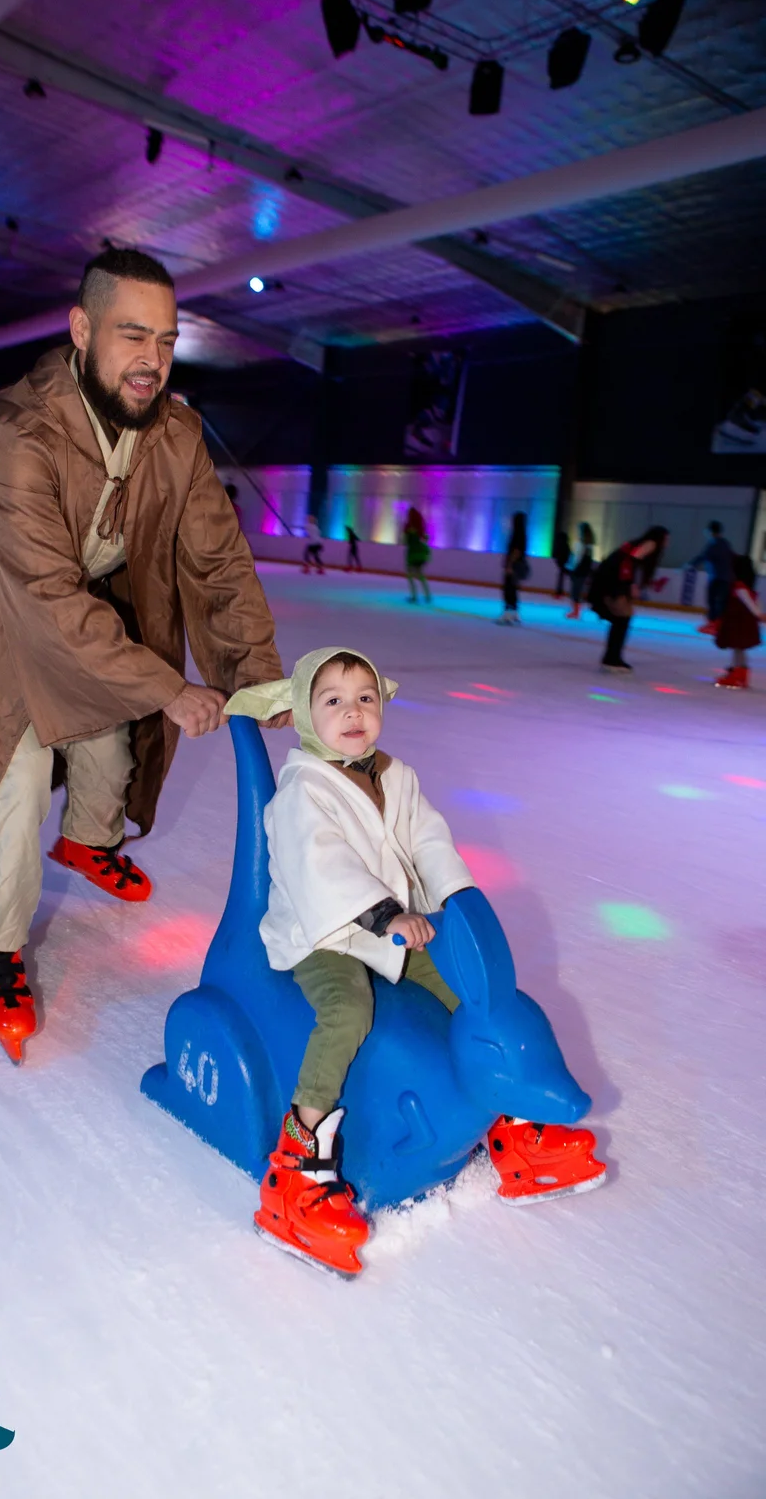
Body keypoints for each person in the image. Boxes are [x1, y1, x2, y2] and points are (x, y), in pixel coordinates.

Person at [0, 247, 284, 1063]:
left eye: (166, 341)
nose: (152, 362)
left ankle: (89, 840)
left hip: (79, 607)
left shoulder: (175, 431)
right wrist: (171, 686)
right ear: (81, 329)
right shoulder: (15, 431)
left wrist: (263, 684)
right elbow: (48, 605)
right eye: (132, 337)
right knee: (16, 778)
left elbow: (218, 562)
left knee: (115, 723)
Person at [226, 648, 606, 1275]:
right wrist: (383, 916)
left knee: (469, 991)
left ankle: (516, 1126)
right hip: (328, 935)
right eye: (334, 701)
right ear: (302, 715)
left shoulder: (395, 776)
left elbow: (427, 839)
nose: (354, 712)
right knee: (347, 1012)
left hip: (396, 927)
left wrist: (456, 894)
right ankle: (296, 1161)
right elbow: (322, 867)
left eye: (366, 698)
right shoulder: (300, 792)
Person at [589, 526, 669, 673]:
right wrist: (629, 583)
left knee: (622, 619)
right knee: (622, 619)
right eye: (666, 539)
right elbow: (629, 560)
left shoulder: (642, 544)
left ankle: (612, 657)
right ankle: (612, 659)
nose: (667, 543)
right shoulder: (651, 544)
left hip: (611, 580)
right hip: (613, 582)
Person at [713, 555, 762, 689]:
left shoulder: (739, 586)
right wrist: (758, 613)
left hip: (739, 623)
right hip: (742, 622)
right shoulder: (746, 587)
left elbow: (750, 603)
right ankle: (739, 673)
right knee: (738, 649)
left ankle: (738, 674)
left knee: (738, 648)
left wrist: (759, 614)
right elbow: (755, 603)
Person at [690, 521, 735, 635]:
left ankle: (714, 624)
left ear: (710, 531)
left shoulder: (713, 544)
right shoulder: (726, 543)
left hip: (717, 578)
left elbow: (704, 556)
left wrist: (690, 564)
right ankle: (719, 624)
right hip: (726, 578)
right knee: (721, 602)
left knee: (713, 601)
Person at [498, 511, 528, 624]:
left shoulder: (516, 534)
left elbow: (516, 551)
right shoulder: (524, 535)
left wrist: (509, 565)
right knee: (513, 589)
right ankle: (515, 613)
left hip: (513, 566)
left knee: (508, 589)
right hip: (518, 566)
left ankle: (507, 614)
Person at [566, 521, 595, 620]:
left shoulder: (581, 543)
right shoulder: (590, 545)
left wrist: (570, 567)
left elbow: (576, 557)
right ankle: (576, 611)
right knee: (578, 590)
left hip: (577, 569)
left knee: (575, 591)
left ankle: (575, 612)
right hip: (584, 570)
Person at [402, 505, 431, 604]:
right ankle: (427, 595)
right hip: (421, 554)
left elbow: (405, 541)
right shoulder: (420, 528)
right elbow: (426, 538)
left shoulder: (408, 527)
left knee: (410, 575)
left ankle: (414, 596)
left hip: (412, 554)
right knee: (420, 575)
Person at [552, 530, 571, 598]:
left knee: (561, 578)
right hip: (564, 564)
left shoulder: (561, 545)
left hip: (563, 564)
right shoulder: (565, 545)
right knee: (562, 578)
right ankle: (559, 592)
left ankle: (559, 593)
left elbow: (559, 554)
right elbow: (568, 554)